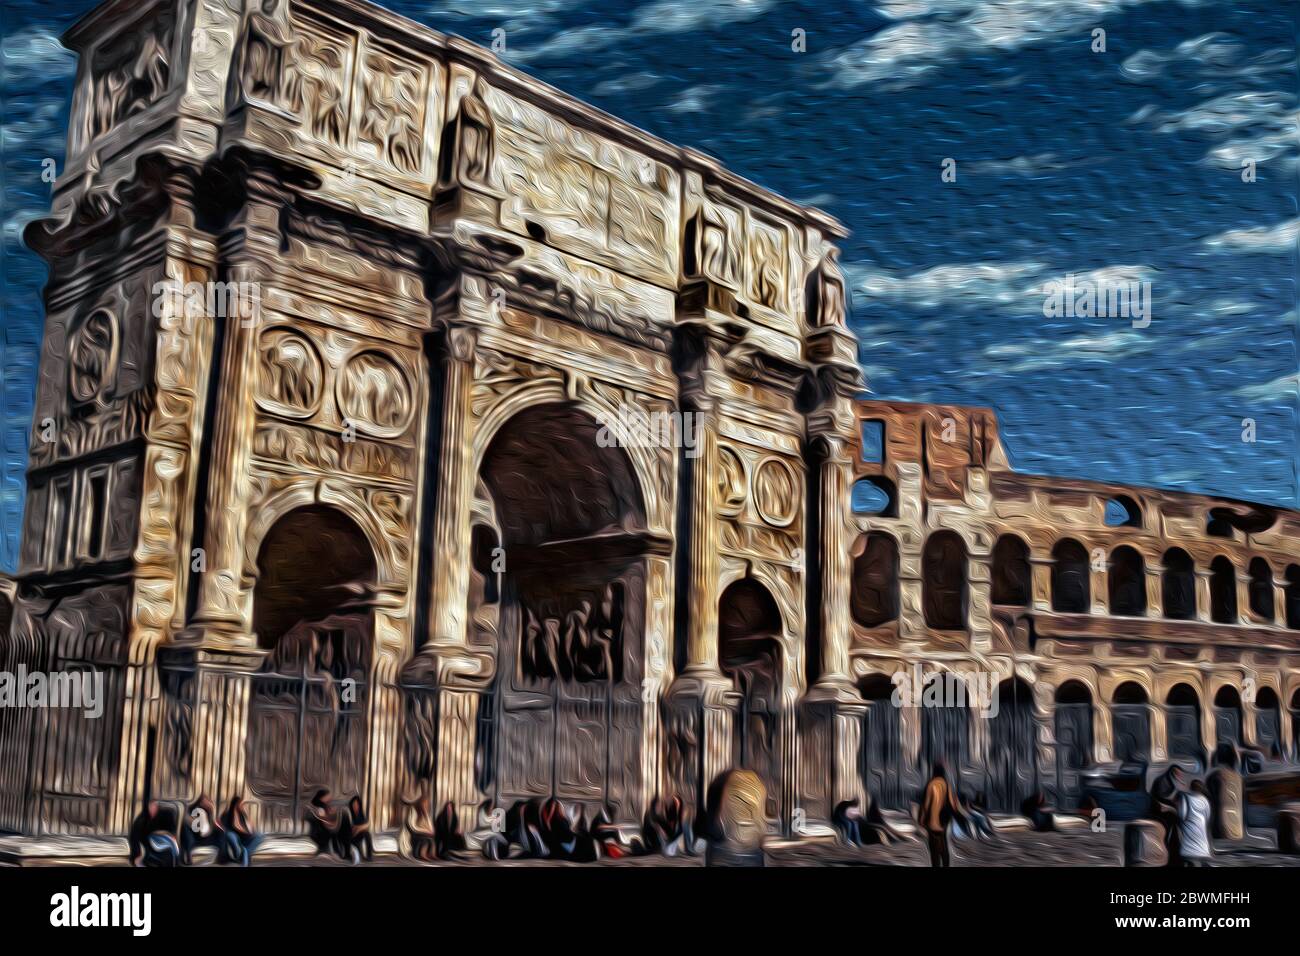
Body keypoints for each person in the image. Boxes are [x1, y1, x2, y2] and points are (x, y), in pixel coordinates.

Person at [919, 763, 962, 867]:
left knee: (934, 851)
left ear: (934, 771)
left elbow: (926, 805)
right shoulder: (946, 784)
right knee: (944, 847)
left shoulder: (931, 784)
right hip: (943, 822)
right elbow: (953, 806)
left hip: (932, 822)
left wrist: (921, 818)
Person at [128, 800, 181, 867]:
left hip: (161, 841)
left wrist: (165, 834)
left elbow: (171, 831)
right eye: (151, 807)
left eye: (154, 807)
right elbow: (135, 837)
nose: (152, 809)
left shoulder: (166, 814)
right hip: (147, 842)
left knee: (169, 851)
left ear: (157, 807)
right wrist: (138, 854)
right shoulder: (142, 819)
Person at [1150, 765, 1185, 865]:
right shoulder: (1163, 781)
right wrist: (1173, 807)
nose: (1180, 776)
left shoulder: (1170, 779)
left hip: (1167, 810)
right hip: (1161, 812)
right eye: (1179, 774)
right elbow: (1160, 800)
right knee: (1175, 828)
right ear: (1173, 772)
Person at [181, 794, 224, 865]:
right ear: (200, 802)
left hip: (206, 836)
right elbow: (197, 827)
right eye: (205, 801)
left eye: (208, 802)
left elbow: (214, 825)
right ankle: (188, 857)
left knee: (221, 833)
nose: (207, 803)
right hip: (197, 837)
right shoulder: (194, 811)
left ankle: (221, 857)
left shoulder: (208, 811)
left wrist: (213, 810)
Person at [1178, 779, 1213, 866]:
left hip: (1189, 825)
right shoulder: (1204, 800)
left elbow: (1182, 815)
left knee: (1189, 846)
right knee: (1201, 843)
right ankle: (1200, 855)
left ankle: (1190, 859)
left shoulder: (1186, 798)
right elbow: (1207, 815)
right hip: (1201, 825)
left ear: (1191, 787)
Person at [221, 796, 263, 867]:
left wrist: (249, 830)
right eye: (240, 803)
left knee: (260, 835)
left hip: (244, 835)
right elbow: (226, 826)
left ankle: (246, 851)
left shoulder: (242, 814)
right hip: (234, 834)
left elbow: (249, 826)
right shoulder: (227, 814)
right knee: (231, 835)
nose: (242, 805)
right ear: (236, 803)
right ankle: (243, 854)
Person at [306, 788, 346, 859]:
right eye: (327, 796)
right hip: (318, 832)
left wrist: (331, 813)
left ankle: (335, 852)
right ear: (322, 797)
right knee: (335, 833)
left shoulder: (323, 805)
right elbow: (322, 819)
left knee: (336, 832)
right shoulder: (319, 807)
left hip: (321, 829)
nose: (330, 798)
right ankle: (336, 853)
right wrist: (330, 821)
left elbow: (325, 818)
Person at [405, 793, 437, 862]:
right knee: (425, 839)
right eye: (425, 803)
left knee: (432, 838)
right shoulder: (413, 811)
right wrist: (425, 831)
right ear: (421, 803)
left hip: (420, 832)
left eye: (427, 803)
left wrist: (430, 831)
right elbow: (413, 827)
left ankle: (431, 854)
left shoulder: (425, 814)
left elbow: (429, 826)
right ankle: (422, 854)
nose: (427, 805)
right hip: (412, 834)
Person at [346, 795, 374, 862]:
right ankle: (355, 854)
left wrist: (358, 828)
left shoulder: (361, 814)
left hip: (357, 835)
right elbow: (351, 830)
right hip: (350, 837)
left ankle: (369, 856)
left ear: (359, 805)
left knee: (367, 833)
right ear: (351, 806)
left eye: (357, 804)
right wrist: (358, 829)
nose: (355, 807)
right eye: (354, 805)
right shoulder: (349, 814)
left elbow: (367, 824)